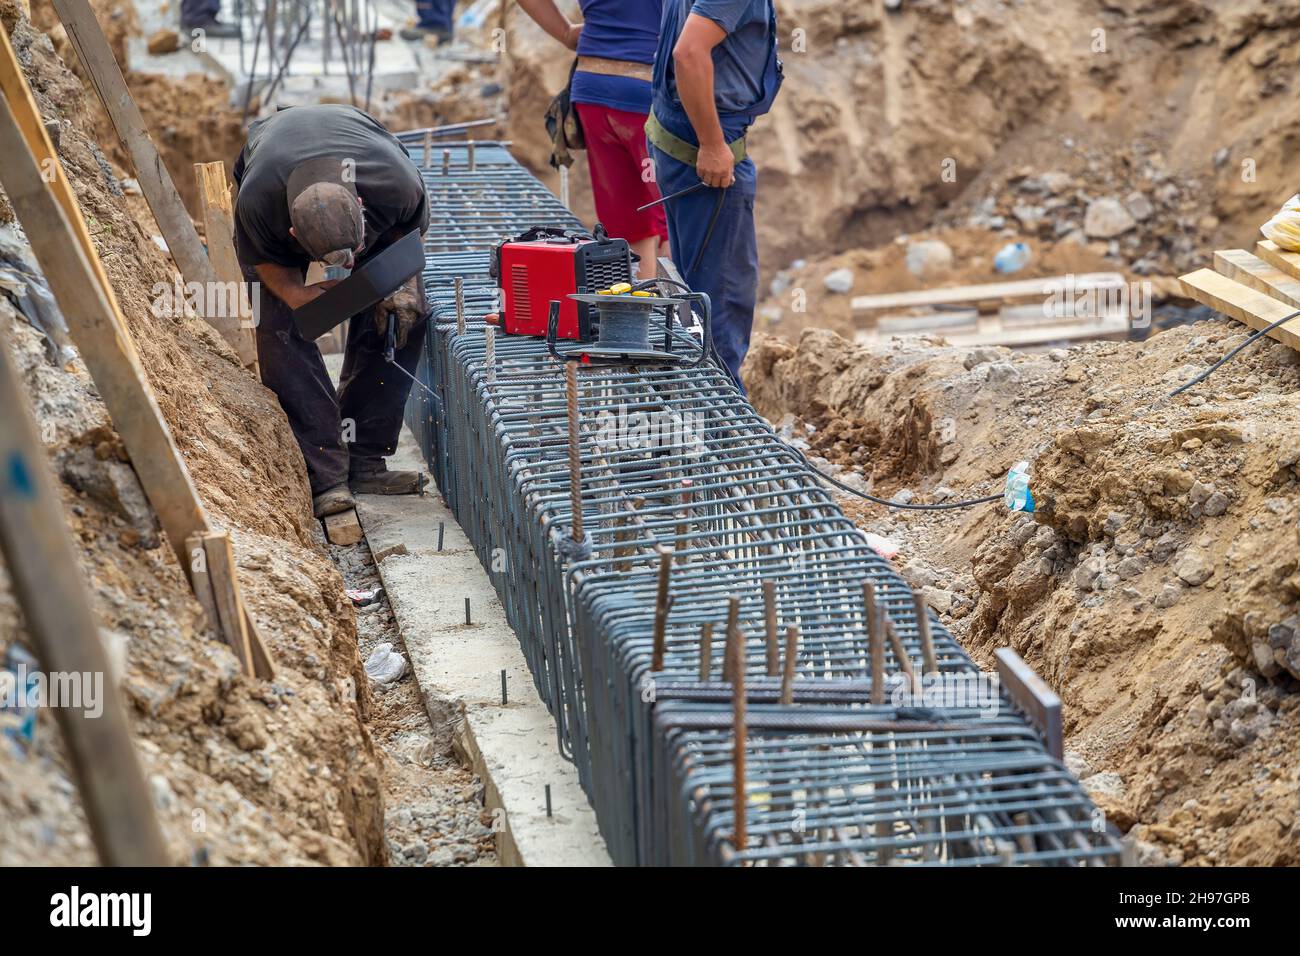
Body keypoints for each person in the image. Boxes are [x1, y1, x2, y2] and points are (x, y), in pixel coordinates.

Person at [232, 105, 430, 518]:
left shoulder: (394, 183)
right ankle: (325, 476)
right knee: (277, 328)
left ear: (361, 203)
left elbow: (410, 235)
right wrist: (294, 293)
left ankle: (365, 459)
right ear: (292, 234)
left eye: (355, 251)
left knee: (403, 315)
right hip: (272, 162)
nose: (350, 261)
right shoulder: (258, 206)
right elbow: (266, 263)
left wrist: (399, 284)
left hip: (359, 153)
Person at [647, 0, 781, 389]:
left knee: (693, 285)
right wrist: (711, 143)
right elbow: (688, 53)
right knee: (721, 296)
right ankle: (721, 420)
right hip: (702, 142)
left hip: (676, 132)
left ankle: (690, 399)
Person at [517, 0, 667, 278]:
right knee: (673, 219)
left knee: (629, 224)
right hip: (650, 89)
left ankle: (640, 312)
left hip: (593, 87)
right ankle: (682, 315)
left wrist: (565, 32)